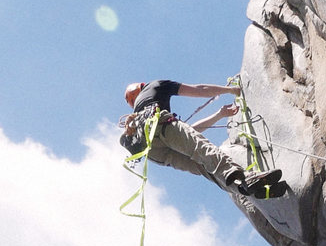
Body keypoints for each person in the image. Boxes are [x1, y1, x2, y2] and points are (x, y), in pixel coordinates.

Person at [120, 79, 288, 198]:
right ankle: (248, 178)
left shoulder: (138, 120)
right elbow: (200, 89)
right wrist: (231, 90)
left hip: (152, 151)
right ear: (142, 86)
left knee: (205, 168)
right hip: (159, 124)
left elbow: (188, 135)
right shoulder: (155, 85)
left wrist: (219, 114)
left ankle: (248, 189)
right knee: (204, 151)